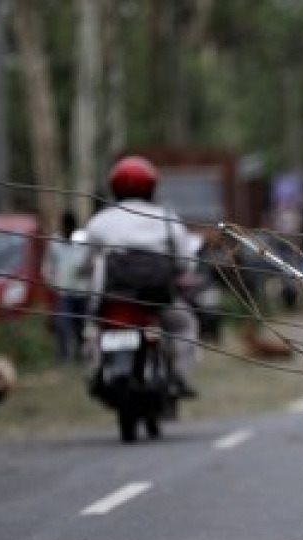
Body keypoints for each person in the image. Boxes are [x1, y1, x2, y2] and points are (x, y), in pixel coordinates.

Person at [83, 155, 199, 398]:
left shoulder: (99, 222)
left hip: (112, 300)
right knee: (186, 325)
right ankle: (179, 376)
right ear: (151, 186)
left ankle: (95, 370)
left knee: (92, 328)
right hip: (156, 300)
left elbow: (87, 260)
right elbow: (184, 261)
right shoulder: (166, 218)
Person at [42, 210, 92, 364]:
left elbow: (92, 262)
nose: (68, 232)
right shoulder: (54, 243)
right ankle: (63, 356)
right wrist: (52, 282)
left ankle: (81, 355)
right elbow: (47, 267)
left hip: (83, 291)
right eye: (66, 228)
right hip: (63, 292)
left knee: (81, 326)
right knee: (62, 324)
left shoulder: (83, 241)